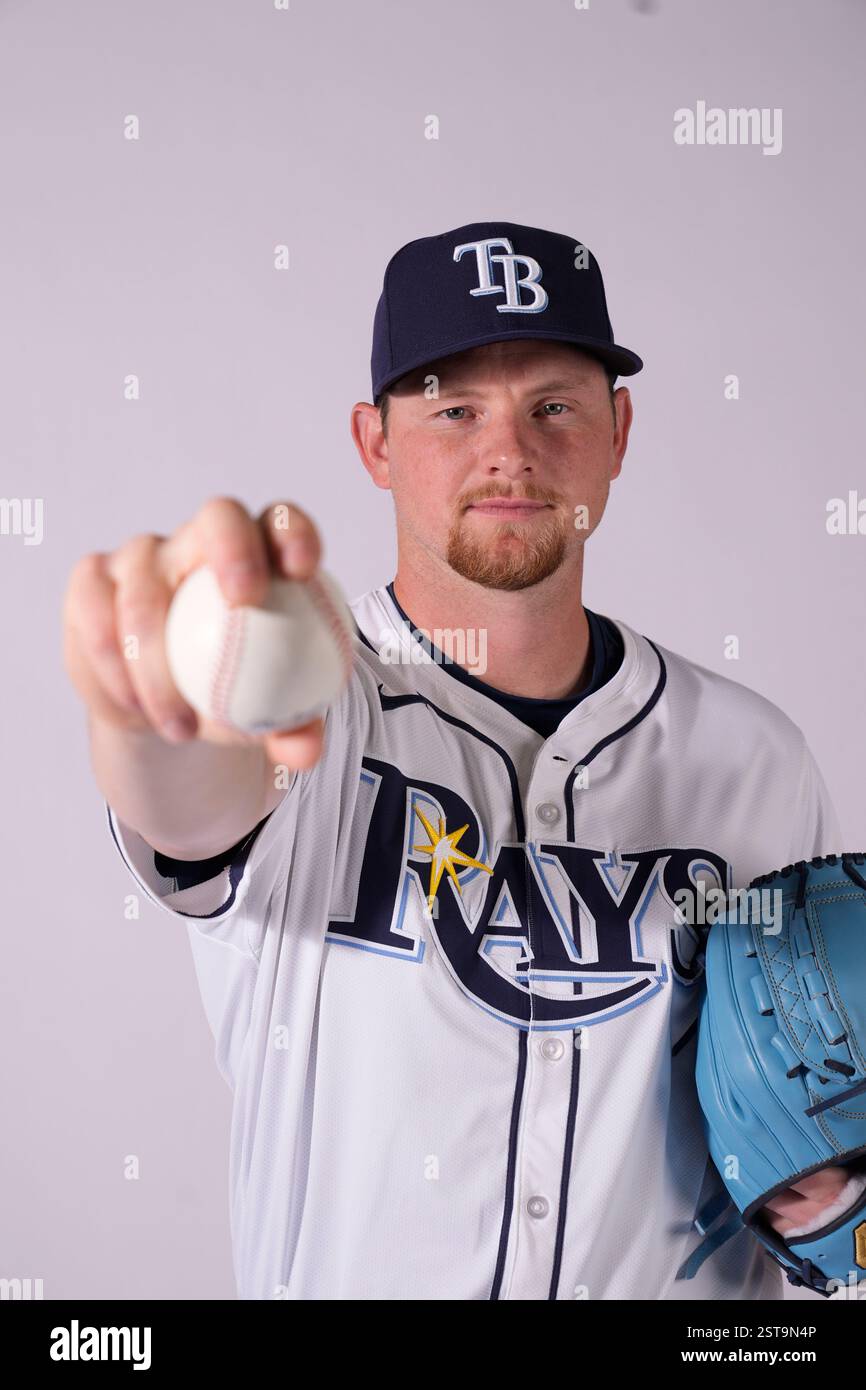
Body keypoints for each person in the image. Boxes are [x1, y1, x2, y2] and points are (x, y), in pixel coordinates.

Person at [63, 221, 848, 1300]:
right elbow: (189, 803)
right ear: (374, 442)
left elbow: (811, 1113)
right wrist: (153, 704)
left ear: (617, 432)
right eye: (453, 407)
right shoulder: (301, 708)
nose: (508, 453)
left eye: (553, 405)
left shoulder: (755, 759)